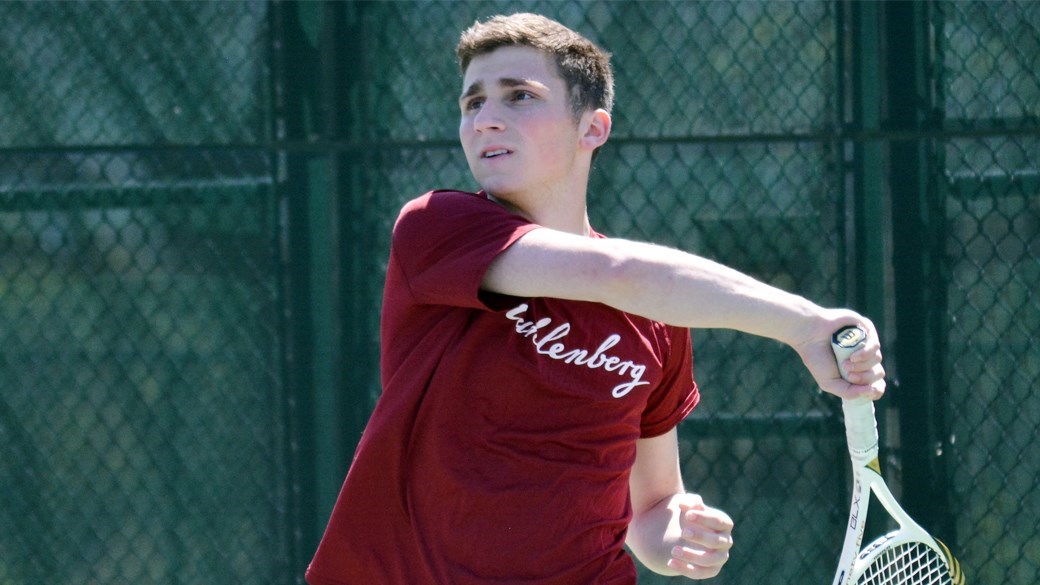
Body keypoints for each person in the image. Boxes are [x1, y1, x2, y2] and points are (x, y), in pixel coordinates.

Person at [305, 12, 885, 585]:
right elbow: (617, 272)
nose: (486, 120)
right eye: (472, 102)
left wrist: (678, 536)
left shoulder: (660, 313)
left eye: (520, 97)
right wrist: (805, 325)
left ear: (593, 128)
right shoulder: (436, 227)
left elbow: (653, 504)